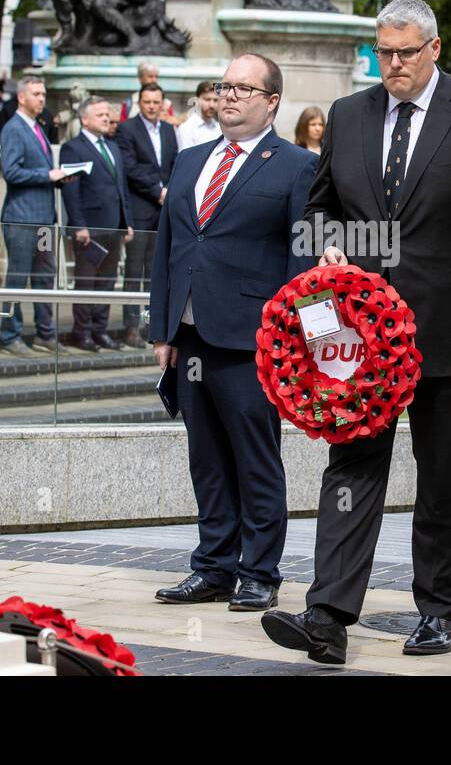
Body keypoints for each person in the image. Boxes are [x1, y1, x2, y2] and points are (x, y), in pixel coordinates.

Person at [261, 0, 451, 664]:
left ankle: (439, 612)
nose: (395, 63)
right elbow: (320, 208)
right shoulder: (349, 116)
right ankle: (326, 615)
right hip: (357, 336)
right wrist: (326, 247)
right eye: (385, 52)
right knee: (349, 464)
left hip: (450, 326)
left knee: (441, 472)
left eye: (407, 51)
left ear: (435, 48)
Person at [149, 53, 318, 612]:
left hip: (254, 338)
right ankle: (214, 566)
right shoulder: (190, 159)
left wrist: (293, 337)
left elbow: (303, 255)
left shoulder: (295, 165)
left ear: (272, 101)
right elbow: (167, 248)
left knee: (255, 457)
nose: (230, 96)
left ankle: (260, 571)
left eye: (245, 88)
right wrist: (162, 327)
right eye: (225, 86)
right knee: (207, 458)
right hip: (191, 335)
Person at [0, 75, 69, 357]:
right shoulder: (14, 128)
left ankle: (45, 333)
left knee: (44, 277)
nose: (42, 98)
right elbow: (11, 171)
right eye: (37, 94)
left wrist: (59, 178)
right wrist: (48, 175)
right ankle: (10, 335)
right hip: (21, 217)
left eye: (43, 93)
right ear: (21, 97)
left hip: (42, 217)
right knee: (17, 277)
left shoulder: (38, 126)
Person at [60, 96, 134, 350]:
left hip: (113, 226)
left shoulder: (112, 147)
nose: (106, 119)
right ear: (85, 119)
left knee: (107, 282)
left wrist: (127, 222)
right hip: (89, 228)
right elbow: (71, 191)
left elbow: (120, 187)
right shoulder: (73, 148)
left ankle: (100, 330)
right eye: (100, 115)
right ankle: (82, 332)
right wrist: (78, 225)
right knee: (86, 281)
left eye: (107, 115)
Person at [117, 82, 179, 347]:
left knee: (158, 271)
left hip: (164, 211)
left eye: (156, 102)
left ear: (162, 103)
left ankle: (153, 326)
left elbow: (175, 162)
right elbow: (129, 168)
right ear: (139, 103)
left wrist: (170, 191)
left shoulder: (168, 129)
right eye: (147, 102)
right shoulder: (127, 129)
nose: (152, 107)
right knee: (134, 270)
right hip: (141, 208)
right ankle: (131, 326)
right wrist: (158, 190)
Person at [176, 80, 222, 150]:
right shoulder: (187, 128)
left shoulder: (219, 128)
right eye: (207, 99)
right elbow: (186, 159)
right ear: (197, 100)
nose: (212, 105)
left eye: (215, 100)